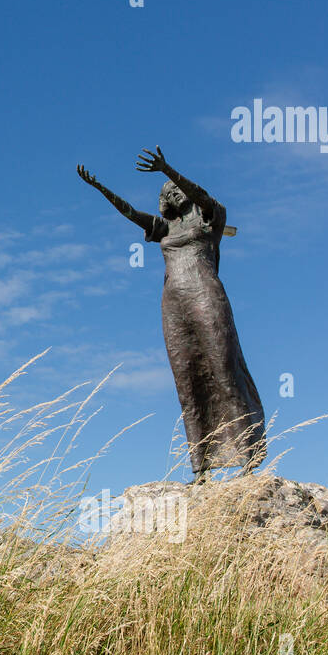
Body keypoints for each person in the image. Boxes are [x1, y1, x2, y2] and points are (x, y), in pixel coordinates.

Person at [76, 147, 266, 482]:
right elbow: (132, 213)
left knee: (224, 373)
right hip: (173, 304)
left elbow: (203, 195)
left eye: (177, 188)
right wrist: (100, 188)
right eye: (167, 191)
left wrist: (167, 169)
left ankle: (249, 458)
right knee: (187, 384)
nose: (173, 192)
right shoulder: (164, 229)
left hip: (206, 296)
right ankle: (201, 469)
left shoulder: (211, 218)